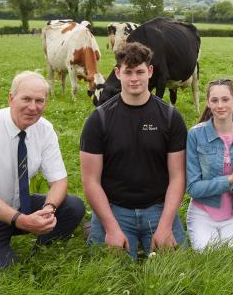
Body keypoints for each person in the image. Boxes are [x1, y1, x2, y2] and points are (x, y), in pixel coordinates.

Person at [0, 71, 85, 269]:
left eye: (40, 100)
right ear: (11, 99)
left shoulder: (44, 129)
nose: (33, 107)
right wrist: (22, 221)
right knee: (8, 268)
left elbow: (59, 181)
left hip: (18, 207)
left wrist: (48, 210)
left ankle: (41, 250)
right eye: (26, 99)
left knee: (73, 206)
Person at [80, 42, 188, 259]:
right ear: (118, 73)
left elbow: (178, 177)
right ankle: (96, 226)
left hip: (158, 209)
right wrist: (111, 227)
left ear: (150, 71)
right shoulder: (98, 119)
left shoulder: (170, 117)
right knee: (111, 270)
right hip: (115, 208)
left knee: (175, 267)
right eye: (128, 72)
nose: (134, 78)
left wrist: (165, 226)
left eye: (139, 71)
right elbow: (90, 180)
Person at [186, 79, 233, 250]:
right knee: (208, 254)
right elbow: (193, 188)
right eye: (214, 100)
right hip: (202, 212)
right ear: (208, 103)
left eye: (225, 99)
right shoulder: (196, 135)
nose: (220, 105)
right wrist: (230, 180)